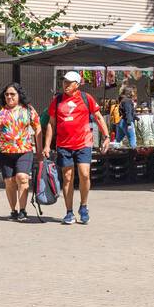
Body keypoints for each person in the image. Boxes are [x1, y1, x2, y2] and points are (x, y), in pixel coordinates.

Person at [43, 70, 110, 225]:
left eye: (69, 82)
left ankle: (84, 206)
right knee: (67, 178)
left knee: (85, 174)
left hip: (83, 143)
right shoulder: (57, 100)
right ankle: (69, 212)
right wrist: (47, 145)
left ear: (77, 84)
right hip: (64, 145)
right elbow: (51, 124)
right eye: (64, 82)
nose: (65, 85)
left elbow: (99, 117)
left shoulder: (87, 98)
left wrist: (106, 136)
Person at [0, 83, 40, 221]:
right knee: (9, 182)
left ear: (19, 95)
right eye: (7, 94)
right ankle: (13, 211)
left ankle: (23, 210)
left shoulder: (28, 110)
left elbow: (38, 127)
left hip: (24, 151)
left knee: (22, 177)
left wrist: (40, 149)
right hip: (4, 152)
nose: (9, 97)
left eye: (12, 94)